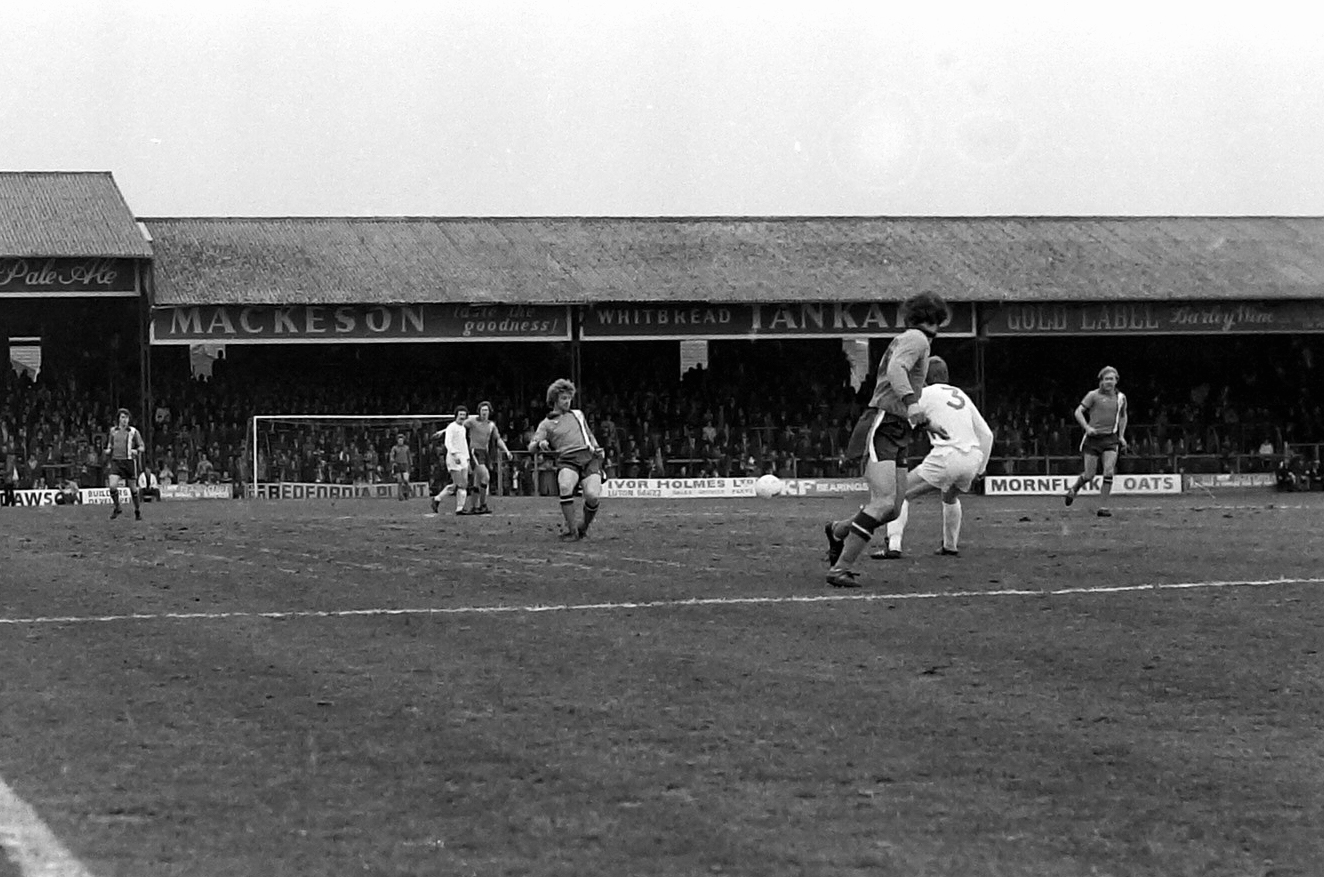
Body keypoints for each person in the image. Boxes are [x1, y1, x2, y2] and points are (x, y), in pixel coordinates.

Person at [823, 291, 950, 588]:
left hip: (897, 427)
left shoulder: (914, 340)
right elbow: (896, 370)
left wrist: (926, 421)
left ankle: (838, 531)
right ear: (935, 317)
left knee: (892, 508)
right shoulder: (917, 339)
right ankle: (840, 568)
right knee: (881, 504)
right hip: (882, 423)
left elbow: (897, 382)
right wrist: (913, 404)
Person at [875, 356, 994, 559]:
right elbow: (987, 434)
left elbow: (908, 423)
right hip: (972, 457)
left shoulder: (924, 394)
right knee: (950, 496)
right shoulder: (961, 394)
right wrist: (981, 470)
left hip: (947, 456)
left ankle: (893, 545)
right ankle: (950, 545)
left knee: (900, 495)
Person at [528, 378, 606, 540]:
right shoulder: (546, 423)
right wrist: (540, 444)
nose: (567, 401)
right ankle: (572, 531)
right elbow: (531, 446)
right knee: (565, 486)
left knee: (592, 496)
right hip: (567, 459)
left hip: (587, 457)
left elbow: (589, 435)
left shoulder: (578, 415)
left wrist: (597, 448)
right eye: (563, 398)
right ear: (554, 400)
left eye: (569, 398)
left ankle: (583, 527)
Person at [1063, 366, 1129, 517]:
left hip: (1110, 439)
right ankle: (1074, 489)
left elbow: (1123, 416)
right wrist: (1087, 427)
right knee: (1089, 475)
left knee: (1109, 471)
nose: (1109, 382)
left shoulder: (1121, 398)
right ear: (1101, 381)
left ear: (1116, 380)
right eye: (1106, 379)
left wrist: (1121, 435)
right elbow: (1078, 412)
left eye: (1111, 379)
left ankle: (1103, 507)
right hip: (1093, 440)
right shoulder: (1093, 395)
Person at [464, 400, 512, 514]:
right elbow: (458, 425)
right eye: (482, 410)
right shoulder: (472, 421)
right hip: (475, 452)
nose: (484, 412)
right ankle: (483, 504)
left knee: (477, 481)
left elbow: (498, 439)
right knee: (485, 476)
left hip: (485, 453)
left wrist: (507, 451)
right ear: (479, 412)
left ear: (489, 412)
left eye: (486, 410)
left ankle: (474, 507)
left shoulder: (491, 425)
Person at [103, 407, 146, 521]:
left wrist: (136, 451)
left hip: (129, 462)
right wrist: (108, 450)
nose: (125, 420)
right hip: (116, 461)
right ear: (118, 419)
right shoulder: (113, 431)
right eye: (122, 417)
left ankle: (137, 510)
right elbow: (110, 445)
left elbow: (142, 446)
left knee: (133, 489)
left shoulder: (133, 431)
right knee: (112, 486)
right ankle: (117, 507)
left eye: (126, 418)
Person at [430, 406, 472, 515]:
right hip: (454, 458)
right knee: (460, 484)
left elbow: (463, 444)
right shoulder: (451, 427)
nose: (462, 417)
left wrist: (467, 459)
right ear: (456, 416)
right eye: (460, 414)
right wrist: (454, 455)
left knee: (461, 484)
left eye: (464, 415)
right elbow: (448, 443)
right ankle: (459, 508)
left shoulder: (462, 428)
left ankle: (438, 499)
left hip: (463, 458)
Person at [388, 432, 413, 501]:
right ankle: (400, 496)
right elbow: (392, 456)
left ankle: (406, 493)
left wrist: (411, 464)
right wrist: (393, 462)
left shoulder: (406, 448)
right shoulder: (395, 448)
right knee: (399, 481)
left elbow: (409, 457)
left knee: (406, 480)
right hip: (398, 465)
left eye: (401, 440)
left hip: (405, 465)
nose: (400, 441)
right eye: (399, 440)